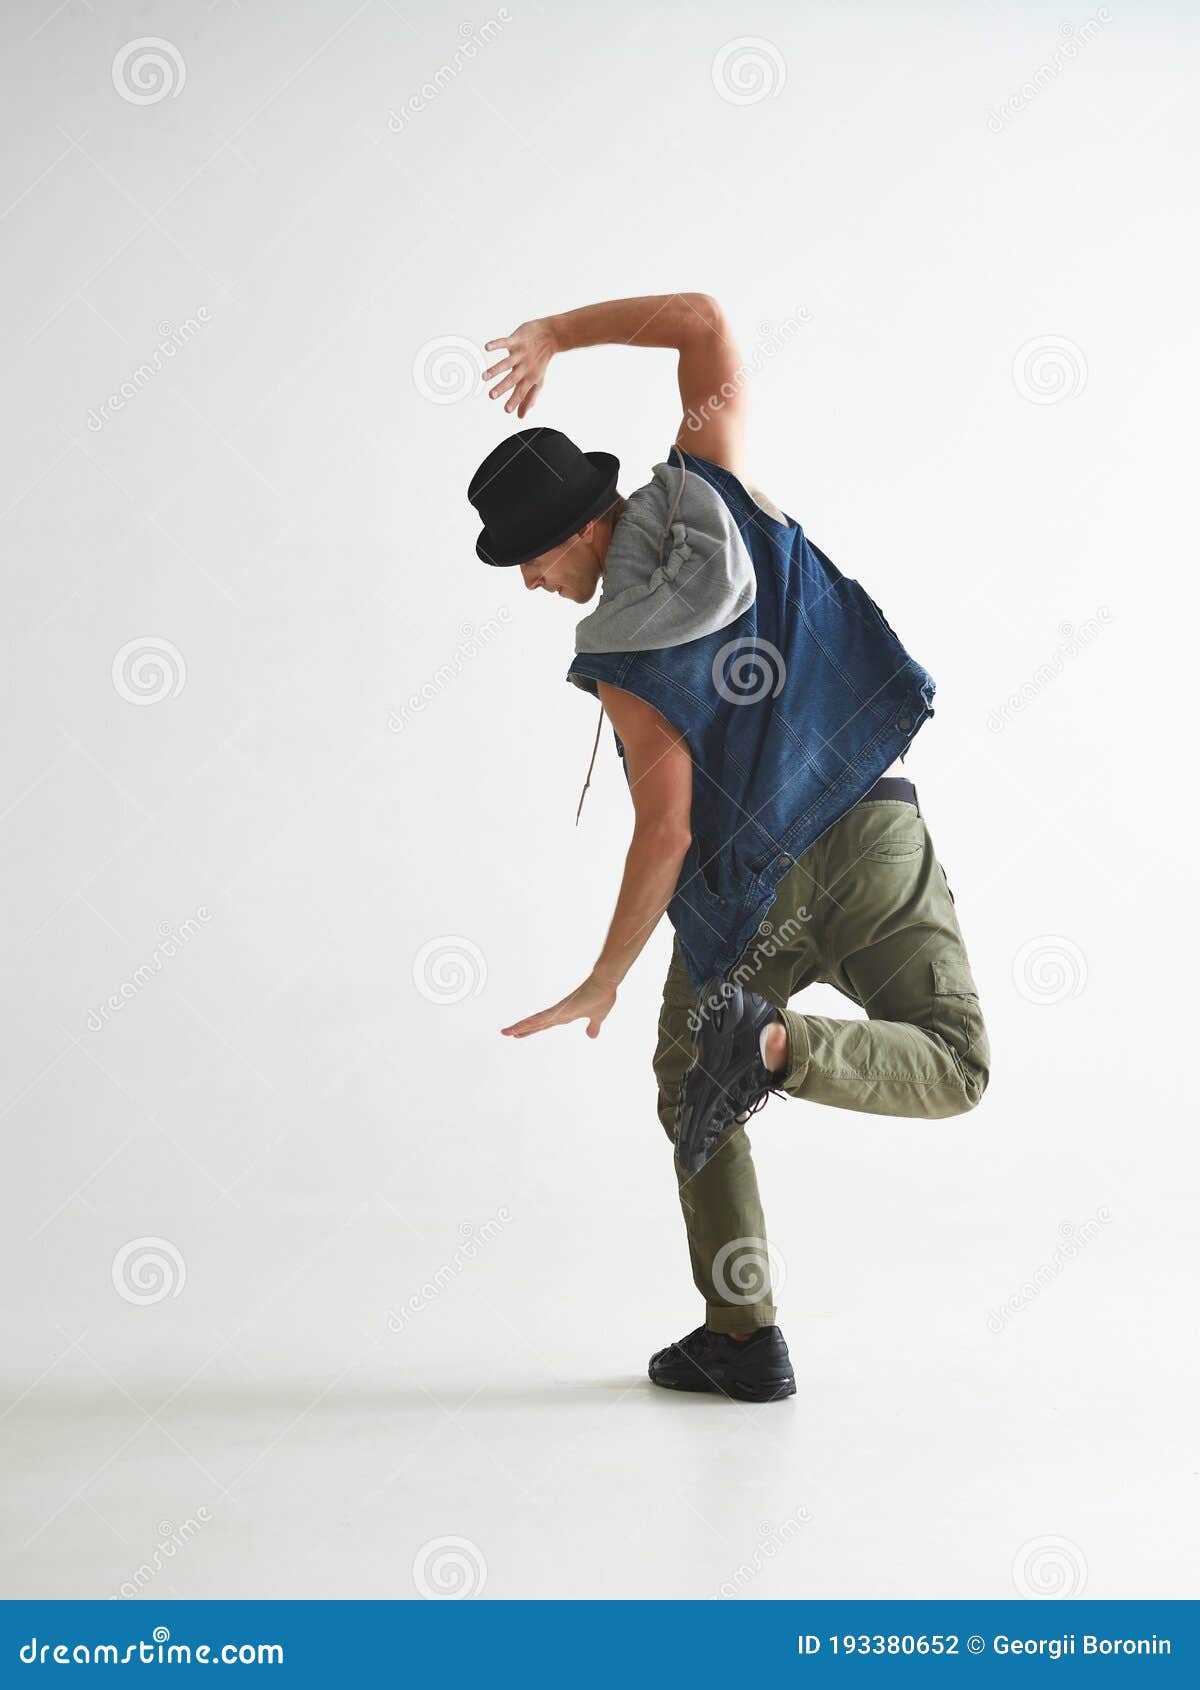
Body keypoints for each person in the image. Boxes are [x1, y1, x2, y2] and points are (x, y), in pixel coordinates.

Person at [466, 293, 990, 1404]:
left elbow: (668, 831)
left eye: (529, 555)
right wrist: (557, 333)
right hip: (872, 827)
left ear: (585, 529)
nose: (527, 580)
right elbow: (704, 319)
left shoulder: (623, 658)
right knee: (953, 1061)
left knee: (687, 1070)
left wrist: (603, 976)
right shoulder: (713, 477)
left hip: (746, 896)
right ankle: (779, 1052)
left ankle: (744, 1335)